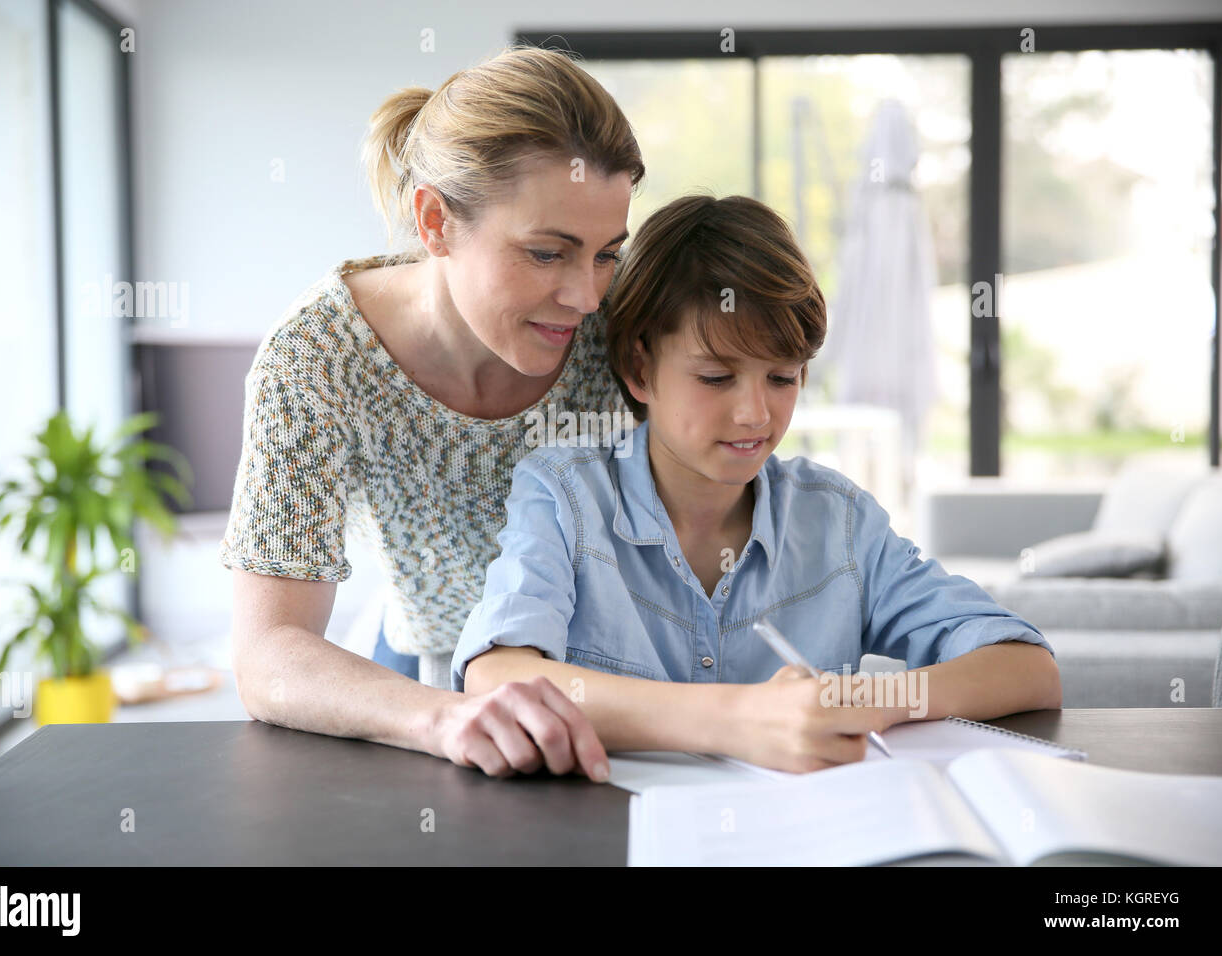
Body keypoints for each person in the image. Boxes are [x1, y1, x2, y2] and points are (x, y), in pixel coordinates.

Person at [452, 194, 1062, 773]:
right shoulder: (565, 496)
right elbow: (497, 676)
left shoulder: (838, 522)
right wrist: (737, 719)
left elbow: (1028, 669)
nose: (756, 415)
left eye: (782, 377)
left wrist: (863, 701)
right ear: (640, 368)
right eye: (716, 377)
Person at [220, 44, 646, 781]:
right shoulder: (317, 362)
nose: (587, 296)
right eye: (547, 253)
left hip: (611, 681)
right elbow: (267, 653)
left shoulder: (622, 323)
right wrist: (445, 716)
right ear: (435, 221)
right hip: (426, 671)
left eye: (608, 252)